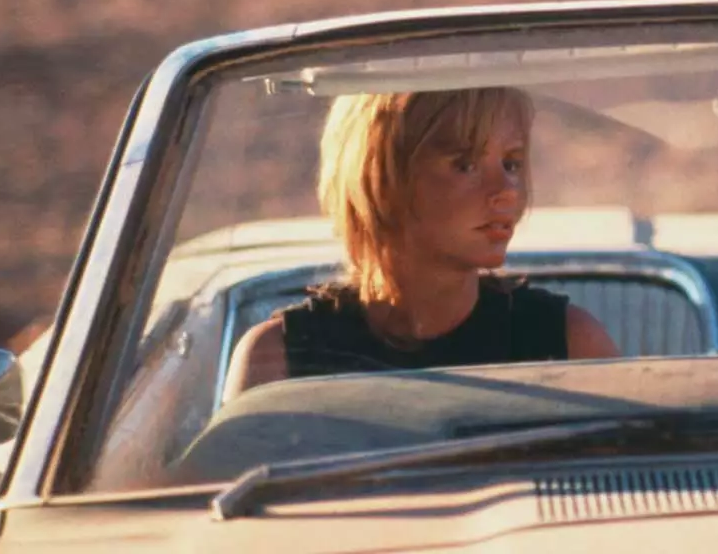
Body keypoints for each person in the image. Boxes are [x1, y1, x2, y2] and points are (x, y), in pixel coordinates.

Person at [223, 86, 618, 401]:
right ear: (382, 177)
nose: (507, 192)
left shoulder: (567, 343)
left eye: (511, 163)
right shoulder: (281, 359)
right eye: (466, 164)